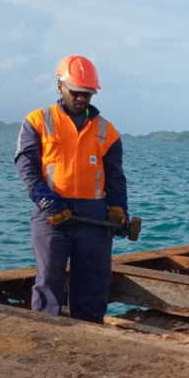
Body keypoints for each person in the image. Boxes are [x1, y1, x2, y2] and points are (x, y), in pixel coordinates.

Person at [13, 55, 128, 324]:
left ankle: (89, 335)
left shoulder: (106, 131)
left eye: (87, 94)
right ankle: (45, 335)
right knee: (49, 277)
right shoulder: (38, 121)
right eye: (76, 92)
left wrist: (118, 209)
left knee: (93, 280)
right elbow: (25, 166)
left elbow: (115, 177)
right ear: (60, 86)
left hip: (94, 216)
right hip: (51, 213)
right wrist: (47, 202)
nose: (81, 99)